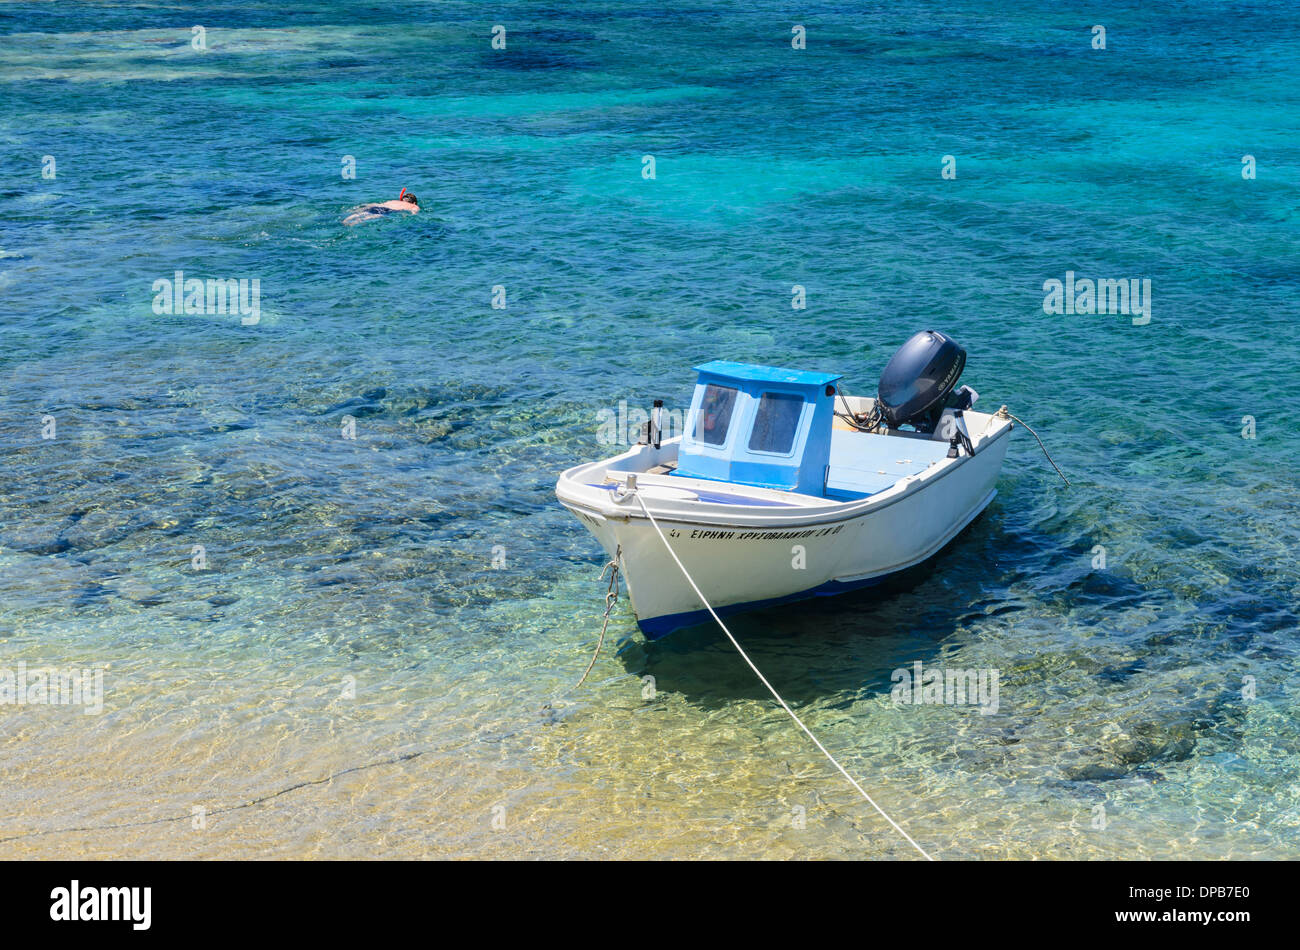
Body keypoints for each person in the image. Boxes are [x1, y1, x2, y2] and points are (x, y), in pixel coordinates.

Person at [343, 189, 419, 225]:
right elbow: (414, 214)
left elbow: (379, 204)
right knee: (369, 217)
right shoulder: (413, 206)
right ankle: (353, 223)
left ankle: (347, 219)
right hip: (386, 210)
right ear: (414, 202)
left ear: (402, 199)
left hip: (375, 206)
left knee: (364, 212)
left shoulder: (392, 201)